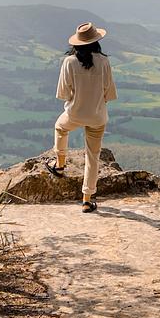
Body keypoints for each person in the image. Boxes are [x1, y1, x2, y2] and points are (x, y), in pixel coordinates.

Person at [49, 22, 117, 212]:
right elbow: (109, 93)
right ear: (96, 42)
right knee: (92, 156)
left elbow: (63, 93)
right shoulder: (104, 62)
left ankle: (60, 165)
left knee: (60, 128)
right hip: (97, 115)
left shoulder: (69, 62)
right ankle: (87, 200)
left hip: (75, 113)